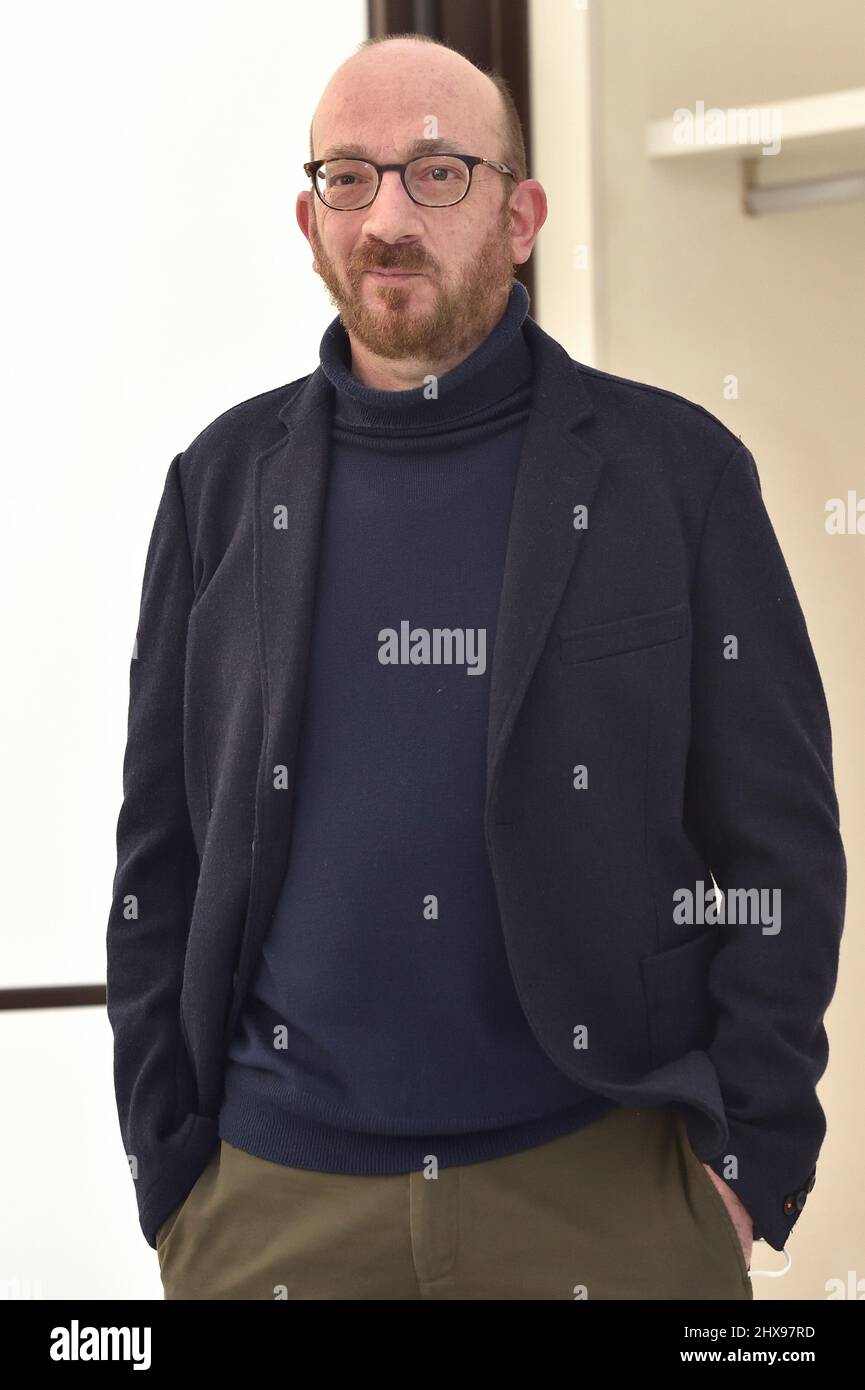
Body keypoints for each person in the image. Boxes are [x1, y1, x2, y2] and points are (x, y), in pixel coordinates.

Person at [106, 33, 846, 1300]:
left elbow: (779, 844)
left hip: (604, 1193)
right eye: (351, 176)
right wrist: (171, 1171)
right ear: (309, 216)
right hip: (272, 1209)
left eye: (437, 173)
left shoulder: (677, 478)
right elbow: (158, 851)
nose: (387, 214)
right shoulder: (219, 488)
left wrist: (747, 1156)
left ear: (521, 215)